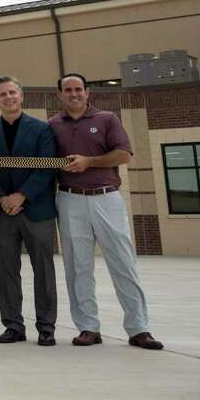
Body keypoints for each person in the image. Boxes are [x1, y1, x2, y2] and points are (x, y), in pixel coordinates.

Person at [51, 73, 163, 350]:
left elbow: (124, 155)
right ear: (60, 95)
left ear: (87, 92)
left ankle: (139, 328)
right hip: (69, 199)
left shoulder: (107, 119)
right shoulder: (52, 125)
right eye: (68, 90)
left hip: (106, 198)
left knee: (122, 263)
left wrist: (89, 162)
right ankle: (88, 327)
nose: (74, 94)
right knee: (78, 267)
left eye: (78, 89)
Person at [0, 75, 59, 346]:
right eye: (2, 94)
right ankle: (13, 325)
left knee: (44, 270)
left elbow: (47, 166)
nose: (8, 97)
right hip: (3, 213)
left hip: (37, 210)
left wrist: (22, 195)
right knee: (6, 271)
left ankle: (46, 326)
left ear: (21, 96)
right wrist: (2, 197)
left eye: (13, 92)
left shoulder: (42, 129)